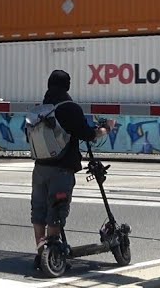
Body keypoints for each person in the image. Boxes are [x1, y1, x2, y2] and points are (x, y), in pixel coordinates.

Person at [29, 69, 114, 265]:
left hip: (40, 168)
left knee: (38, 210)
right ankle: (53, 253)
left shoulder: (42, 108)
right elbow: (87, 134)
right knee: (57, 211)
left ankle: (41, 251)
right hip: (62, 168)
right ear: (68, 86)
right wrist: (106, 129)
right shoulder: (69, 107)